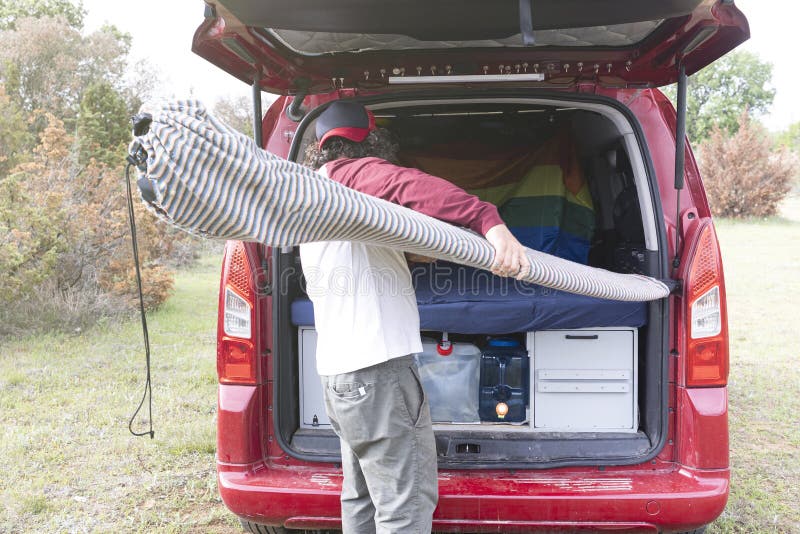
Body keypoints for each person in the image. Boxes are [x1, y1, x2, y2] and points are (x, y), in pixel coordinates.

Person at [299, 100, 530, 534]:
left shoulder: (320, 192)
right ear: (370, 142)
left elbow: (364, 250)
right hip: (379, 374)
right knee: (405, 505)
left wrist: (410, 253)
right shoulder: (356, 174)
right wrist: (488, 220)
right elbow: (410, 187)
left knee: (363, 496)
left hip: (340, 379)